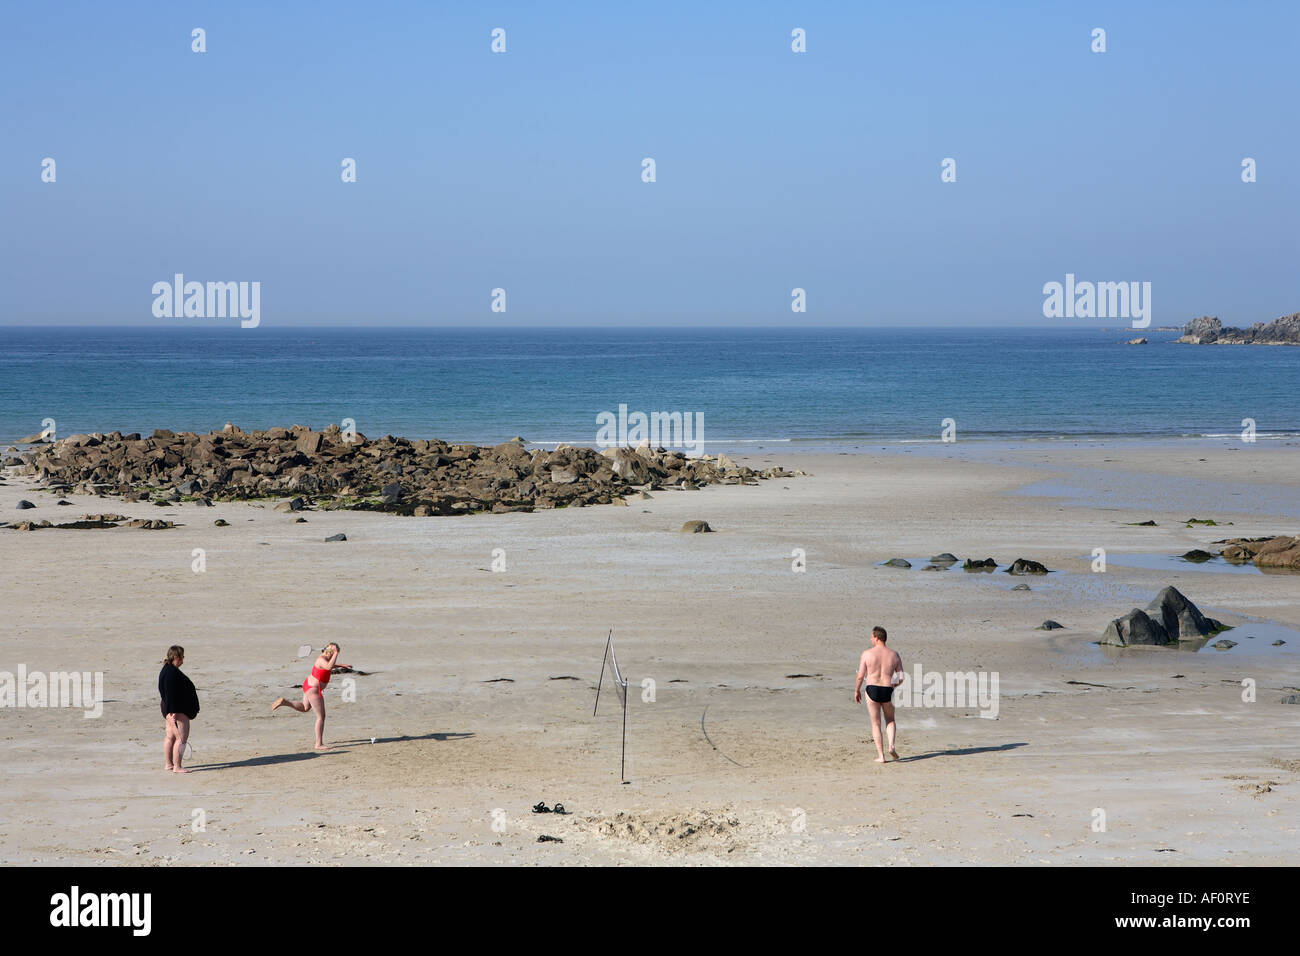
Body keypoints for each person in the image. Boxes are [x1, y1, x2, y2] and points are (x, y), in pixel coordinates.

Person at [272, 643, 348, 750]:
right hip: (314, 689)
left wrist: (341, 665)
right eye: (334, 653)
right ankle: (318, 744)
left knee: (305, 707)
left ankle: (285, 702)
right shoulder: (322, 659)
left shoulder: (323, 658)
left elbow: (328, 665)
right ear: (331, 652)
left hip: (308, 684)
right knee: (321, 717)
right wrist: (336, 652)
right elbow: (328, 666)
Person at [854, 626, 902, 763]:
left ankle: (881, 756)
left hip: (872, 689)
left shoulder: (867, 653)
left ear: (876, 638)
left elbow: (860, 676)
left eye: (871, 637)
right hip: (888, 689)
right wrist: (893, 685)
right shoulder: (894, 654)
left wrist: (857, 690)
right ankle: (891, 746)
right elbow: (901, 676)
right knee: (890, 720)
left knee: (876, 724)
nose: (870, 639)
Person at [159, 645, 200, 773]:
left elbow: (163, 691)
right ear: (176, 657)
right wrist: (174, 712)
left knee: (170, 736)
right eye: (182, 657)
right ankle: (177, 766)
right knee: (181, 738)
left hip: (168, 709)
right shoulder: (171, 672)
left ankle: (169, 764)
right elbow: (170, 693)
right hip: (177, 710)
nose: (183, 659)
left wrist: (169, 711)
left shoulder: (166, 669)